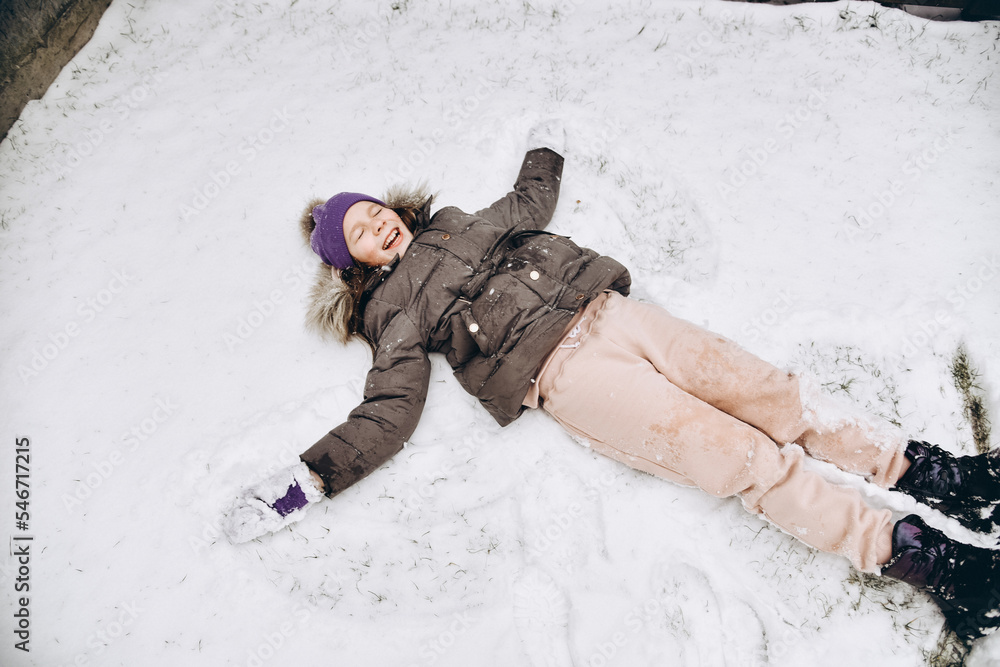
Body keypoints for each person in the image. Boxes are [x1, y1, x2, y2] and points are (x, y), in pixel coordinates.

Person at [222, 122, 1000, 641]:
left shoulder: (457, 221)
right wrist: (307, 480)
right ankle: (928, 559)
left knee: (773, 394)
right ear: (353, 264)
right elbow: (387, 409)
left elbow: (525, 202)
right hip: (567, 375)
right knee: (743, 457)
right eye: (359, 234)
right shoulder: (394, 315)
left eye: (373, 212)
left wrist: (547, 146)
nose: (377, 226)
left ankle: (936, 473)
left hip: (615, 313)